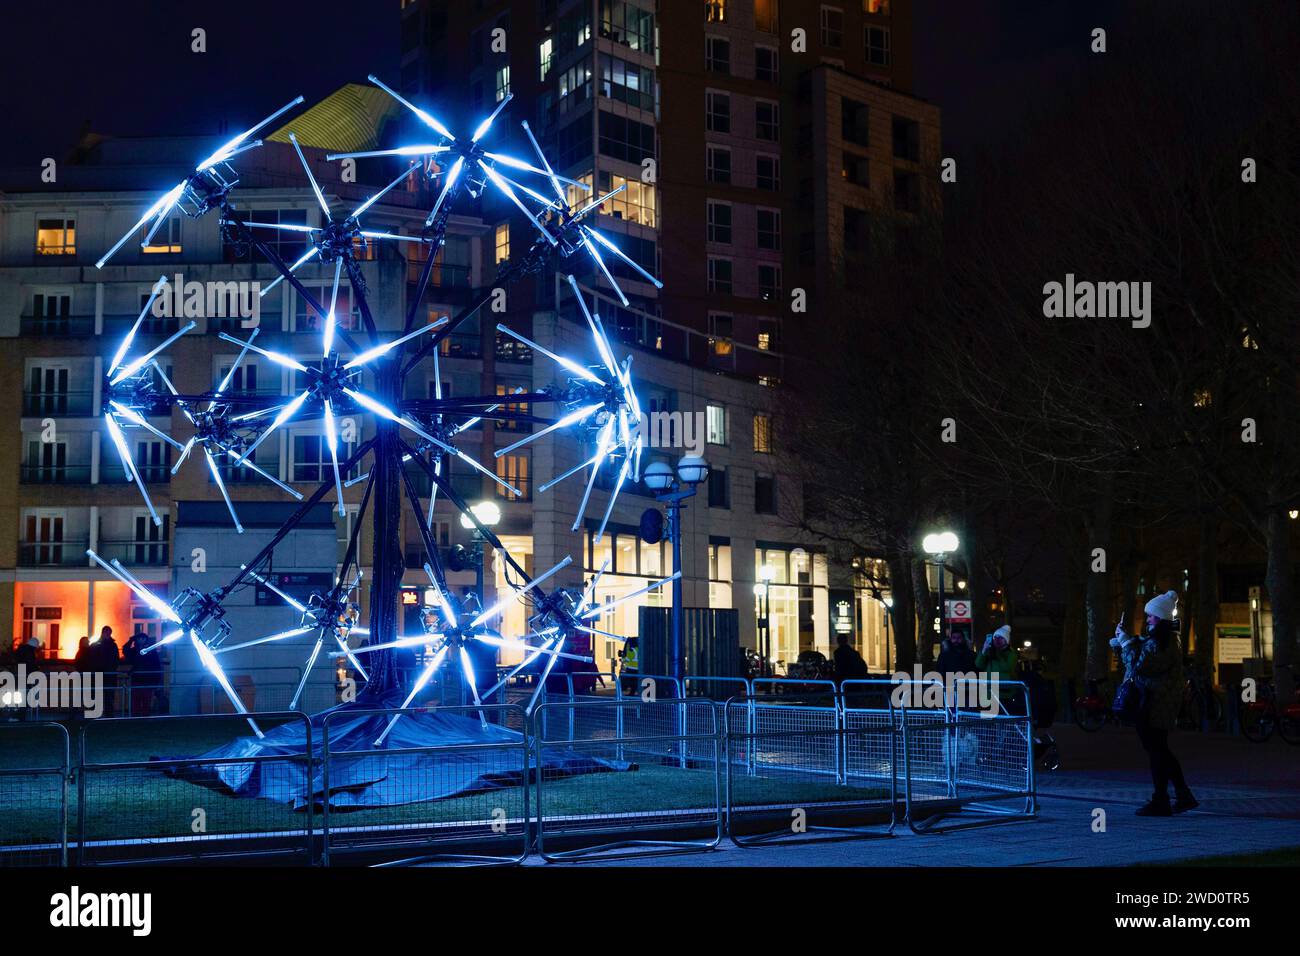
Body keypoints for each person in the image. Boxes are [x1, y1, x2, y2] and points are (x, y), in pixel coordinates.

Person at [1115, 590, 1197, 816]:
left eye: (1151, 616)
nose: (1148, 619)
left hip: (1153, 702)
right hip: (1159, 702)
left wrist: (1124, 642)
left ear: (1160, 618)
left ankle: (1162, 800)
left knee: (1156, 751)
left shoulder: (1161, 643)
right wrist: (1127, 642)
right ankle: (1181, 795)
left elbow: (1138, 666)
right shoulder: (1165, 640)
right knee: (1159, 749)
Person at [975, 625, 1019, 708]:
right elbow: (979, 665)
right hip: (988, 692)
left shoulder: (1011, 653)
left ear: (1006, 640)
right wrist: (984, 650)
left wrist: (997, 653)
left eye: (1000, 638)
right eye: (995, 637)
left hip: (1004, 693)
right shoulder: (990, 651)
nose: (997, 640)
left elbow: (1007, 668)